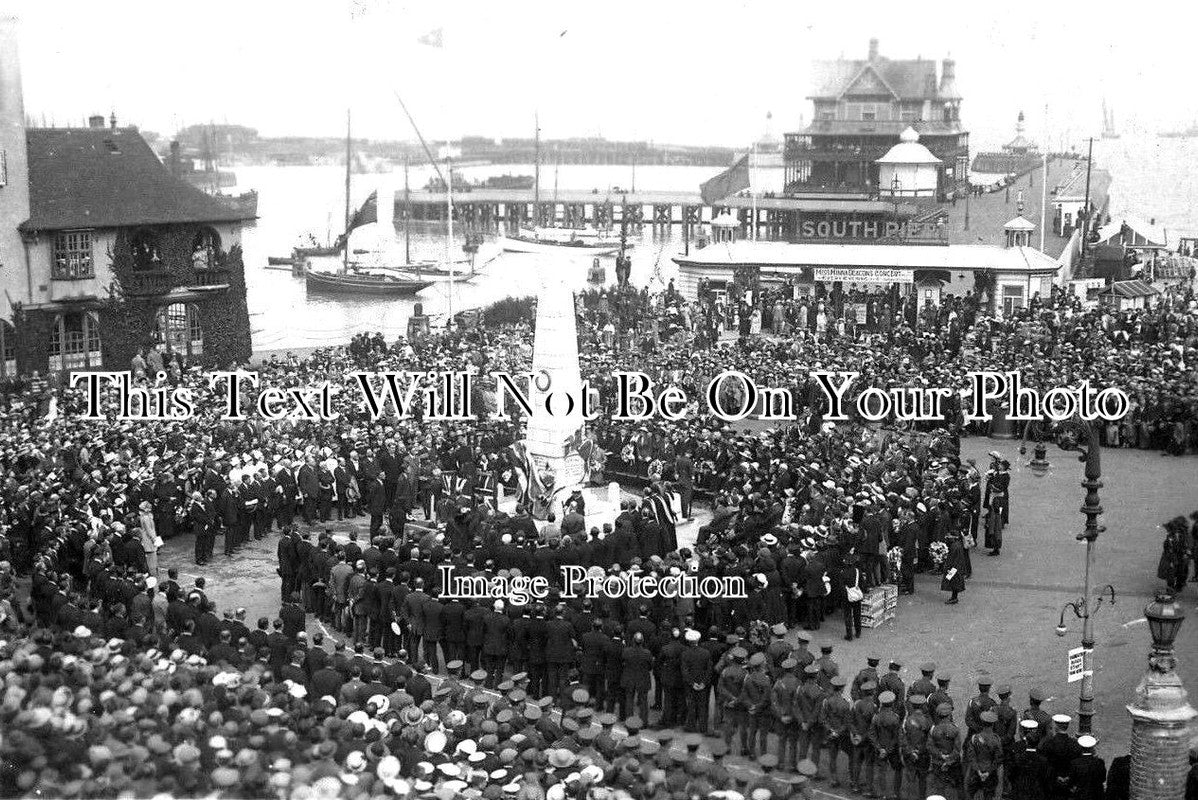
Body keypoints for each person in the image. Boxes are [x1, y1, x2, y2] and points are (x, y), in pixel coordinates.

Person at [942, 533, 967, 605]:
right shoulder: (957, 545)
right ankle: (954, 597)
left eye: (949, 536)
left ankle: (954, 598)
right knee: (954, 582)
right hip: (956, 567)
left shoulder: (955, 546)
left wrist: (950, 569)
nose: (948, 537)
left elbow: (953, 558)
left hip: (954, 568)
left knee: (954, 582)